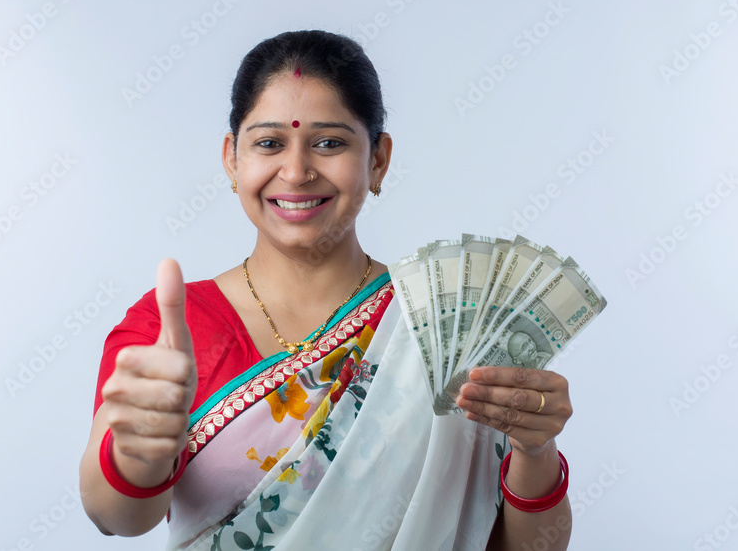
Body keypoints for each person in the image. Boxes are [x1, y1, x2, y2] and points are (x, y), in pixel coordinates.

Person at [78, 30, 575, 550]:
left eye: (329, 142)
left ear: (378, 159)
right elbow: (114, 518)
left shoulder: (445, 327)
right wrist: (138, 454)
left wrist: (536, 450)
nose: (296, 172)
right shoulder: (170, 330)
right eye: (269, 143)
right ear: (232, 158)